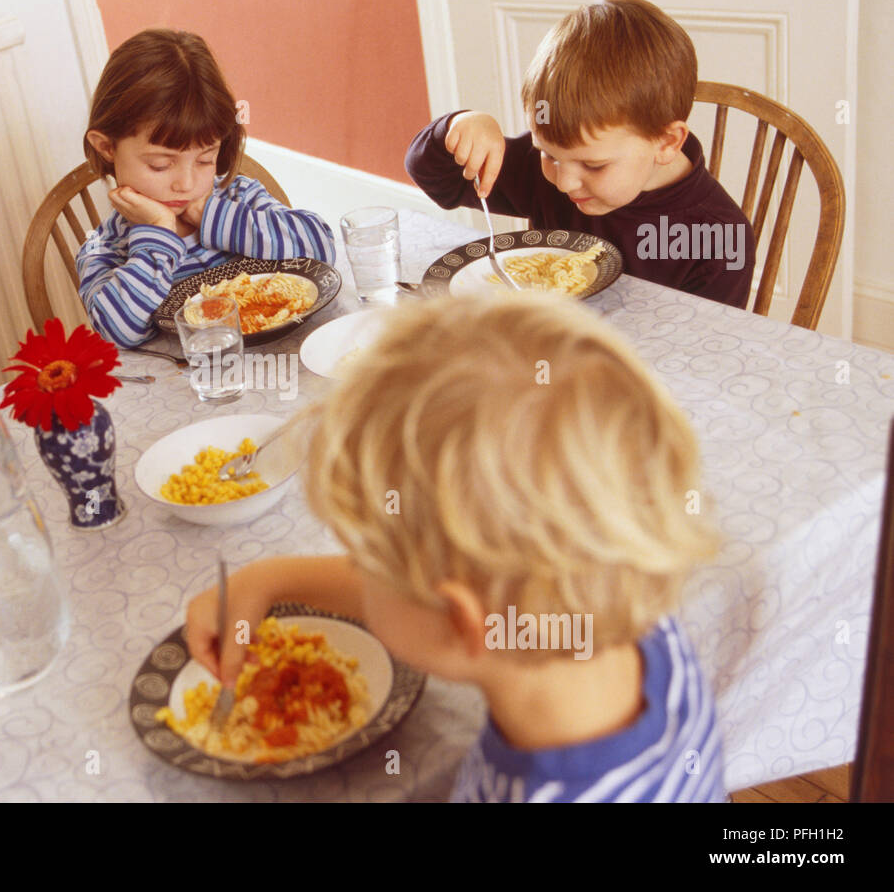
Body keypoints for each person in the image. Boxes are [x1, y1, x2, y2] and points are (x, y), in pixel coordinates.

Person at [184, 292, 727, 802]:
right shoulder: (620, 599)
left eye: (366, 563)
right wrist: (271, 580)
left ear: (466, 623)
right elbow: (425, 593)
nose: (359, 572)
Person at [406, 0, 754, 308]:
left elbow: (706, 351)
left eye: (594, 165)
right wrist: (458, 126)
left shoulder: (719, 238)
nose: (565, 182)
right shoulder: (545, 172)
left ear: (666, 143)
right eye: (549, 154)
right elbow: (437, 178)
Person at [78, 28, 335, 348]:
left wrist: (212, 216)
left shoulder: (239, 198)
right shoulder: (107, 248)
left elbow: (322, 249)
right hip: (201, 388)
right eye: (160, 165)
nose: (185, 184)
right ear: (107, 147)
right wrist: (159, 231)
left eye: (204, 160)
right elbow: (117, 333)